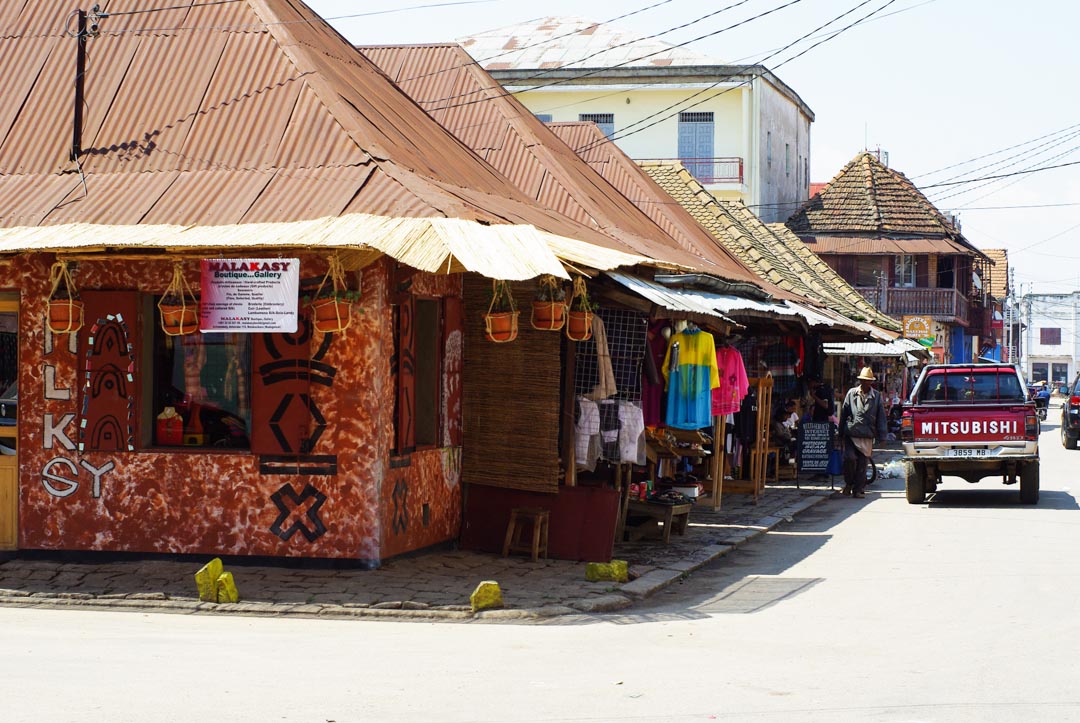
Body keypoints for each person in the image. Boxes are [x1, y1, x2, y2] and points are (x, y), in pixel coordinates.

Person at [838, 367, 888, 499]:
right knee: (850, 458)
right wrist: (840, 432)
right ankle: (849, 483)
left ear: (871, 382)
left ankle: (858, 489)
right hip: (852, 432)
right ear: (860, 380)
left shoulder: (876, 396)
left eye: (867, 381)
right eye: (863, 380)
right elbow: (844, 413)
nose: (865, 383)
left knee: (862, 463)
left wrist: (883, 436)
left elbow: (881, 417)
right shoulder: (851, 393)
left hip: (867, 434)